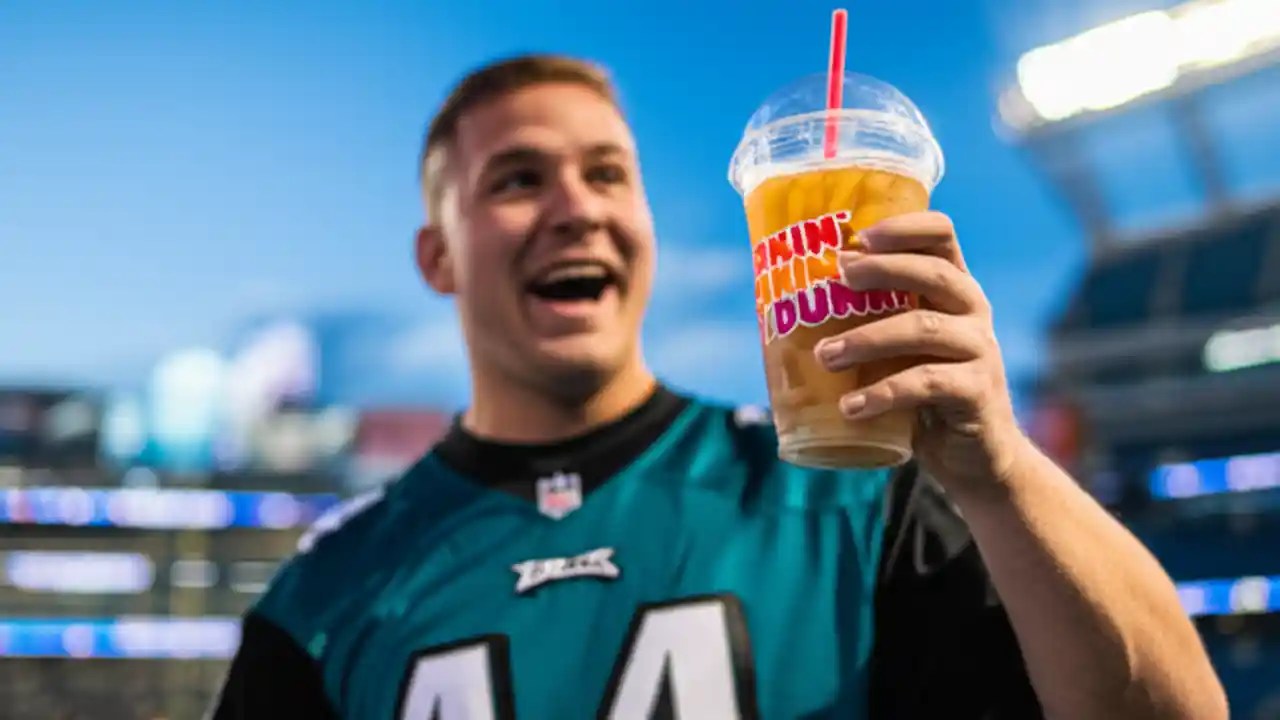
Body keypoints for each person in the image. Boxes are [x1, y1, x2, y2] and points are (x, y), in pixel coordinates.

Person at [208, 54, 1227, 719]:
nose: (576, 207)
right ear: (437, 256)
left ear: (646, 226)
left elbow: (1170, 711)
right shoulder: (326, 596)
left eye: (607, 174)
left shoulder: (850, 496)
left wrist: (997, 470)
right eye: (517, 180)